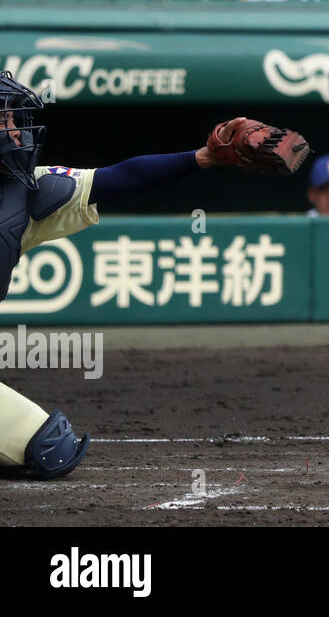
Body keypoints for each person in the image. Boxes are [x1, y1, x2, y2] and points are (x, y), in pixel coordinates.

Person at [0, 73, 309, 480]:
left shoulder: (24, 193)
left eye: (13, 119)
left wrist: (202, 158)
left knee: (50, 446)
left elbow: (119, 178)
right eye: (4, 120)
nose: (16, 130)